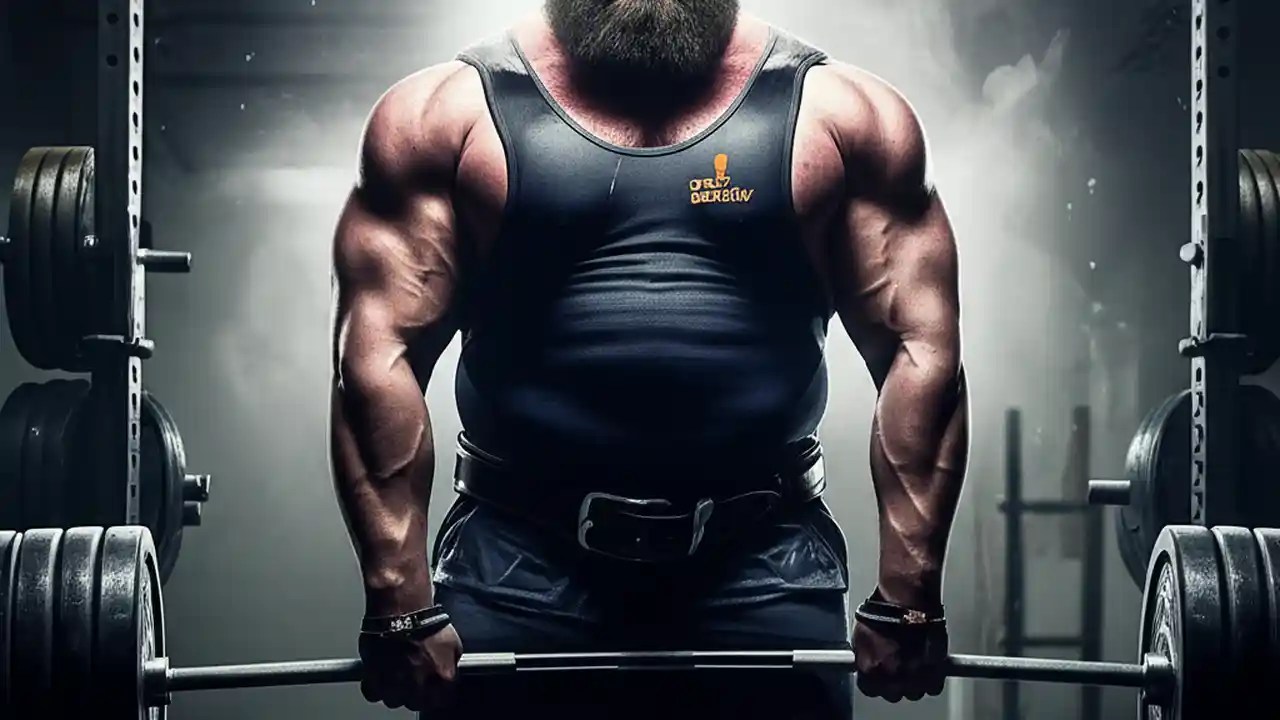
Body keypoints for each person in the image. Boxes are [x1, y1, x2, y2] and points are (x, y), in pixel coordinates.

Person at [330, 0, 967, 717]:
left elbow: (921, 349)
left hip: (762, 565)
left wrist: (911, 591)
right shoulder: (443, 118)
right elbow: (376, 355)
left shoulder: (845, 118)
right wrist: (398, 599)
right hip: (516, 568)